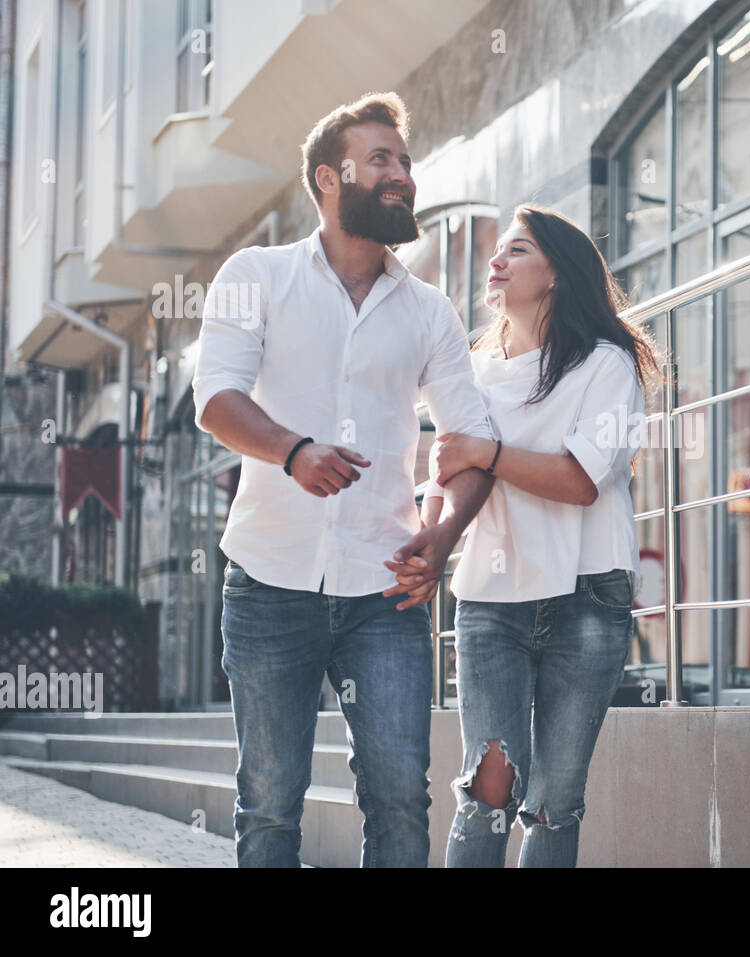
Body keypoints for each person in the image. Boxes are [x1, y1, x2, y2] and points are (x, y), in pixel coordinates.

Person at [192, 92, 496, 867]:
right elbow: (217, 401)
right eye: (382, 160)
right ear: (330, 177)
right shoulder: (255, 274)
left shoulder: (429, 311)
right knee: (269, 800)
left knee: (398, 793)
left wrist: (444, 532)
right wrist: (292, 450)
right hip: (268, 582)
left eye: (405, 162)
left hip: (384, 592)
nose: (403, 176)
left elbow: (472, 442)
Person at [389, 203, 660, 867]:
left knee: (555, 800)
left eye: (517, 251)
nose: (496, 262)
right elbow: (444, 471)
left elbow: (577, 480)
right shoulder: (471, 371)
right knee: (489, 789)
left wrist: (486, 451)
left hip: (588, 596)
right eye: (498, 251)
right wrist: (431, 538)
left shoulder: (607, 363)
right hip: (490, 597)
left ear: (557, 275)